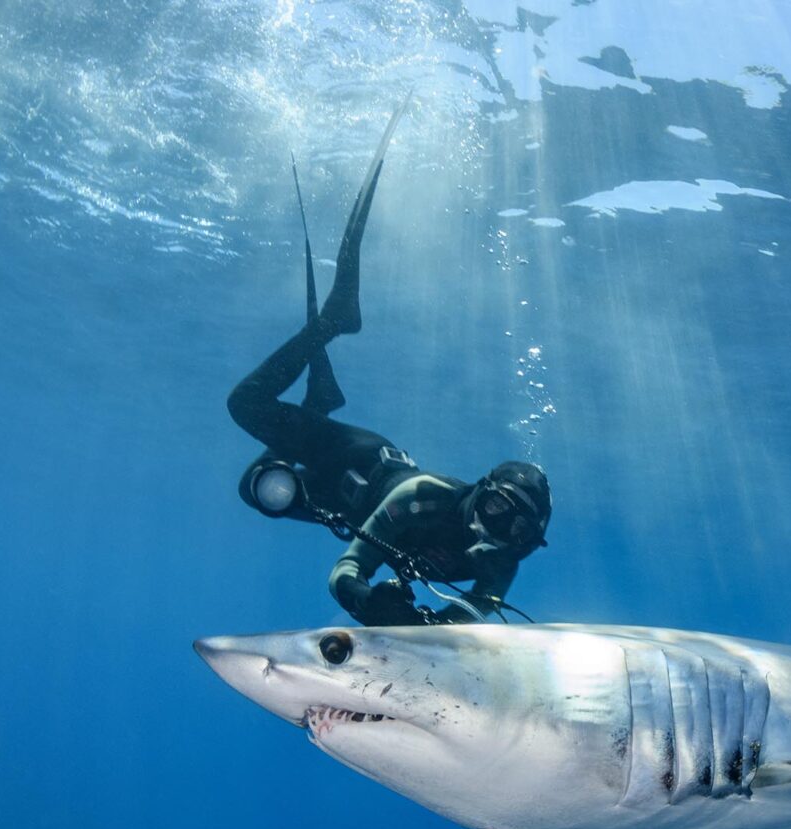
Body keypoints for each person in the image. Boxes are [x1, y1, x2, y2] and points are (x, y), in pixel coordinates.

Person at [227, 102, 551, 626]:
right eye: (496, 512)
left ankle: (319, 401)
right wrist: (362, 597)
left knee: (258, 490)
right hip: (354, 462)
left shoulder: (501, 562)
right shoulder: (423, 498)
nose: (495, 533)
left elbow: (473, 617)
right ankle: (335, 321)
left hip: (340, 503)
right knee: (245, 405)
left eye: (515, 533)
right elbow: (348, 568)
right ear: (480, 493)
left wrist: (424, 626)